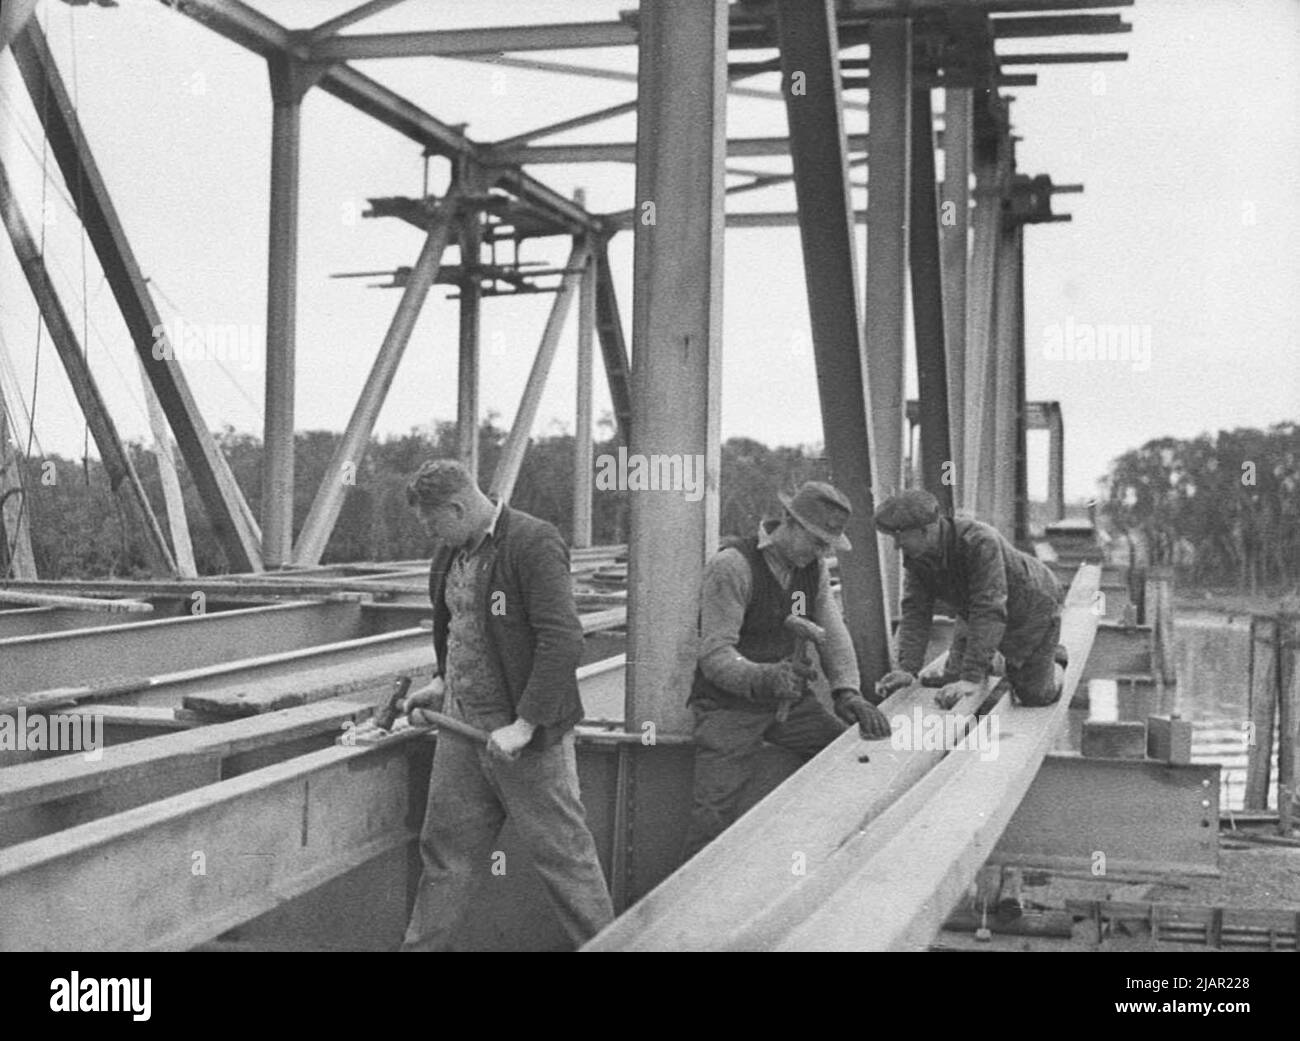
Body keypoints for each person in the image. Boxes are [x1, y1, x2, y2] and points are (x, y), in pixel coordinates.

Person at [398, 459, 614, 951]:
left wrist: (525, 724)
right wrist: (440, 683)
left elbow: (561, 639)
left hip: (525, 739)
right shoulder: (450, 554)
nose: (431, 533)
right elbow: (456, 629)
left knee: (564, 859)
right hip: (461, 728)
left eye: (432, 522)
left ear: (456, 506)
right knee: (446, 855)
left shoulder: (532, 543)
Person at [681, 480, 891, 862]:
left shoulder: (810, 570)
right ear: (789, 524)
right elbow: (715, 654)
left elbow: (832, 633)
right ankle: (691, 902)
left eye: (828, 545)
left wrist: (848, 692)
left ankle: (818, 862)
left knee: (846, 761)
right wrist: (762, 677)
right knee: (713, 813)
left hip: (789, 705)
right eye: (817, 541)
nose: (822, 552)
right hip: (730, 708)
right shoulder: (733, 566)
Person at [872, 489, 1066, 711]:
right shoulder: (918, 555)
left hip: (1033, 607)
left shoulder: (979, 541)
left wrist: (971, 678)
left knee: (1034, 695)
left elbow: (990, 610)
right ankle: (991, 656)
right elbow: (915, 611)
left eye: (900, 537)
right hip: (975, 611)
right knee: (952, 679)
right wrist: (907, 669)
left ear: (925, 531)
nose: (897, 546)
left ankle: (1056, 658)